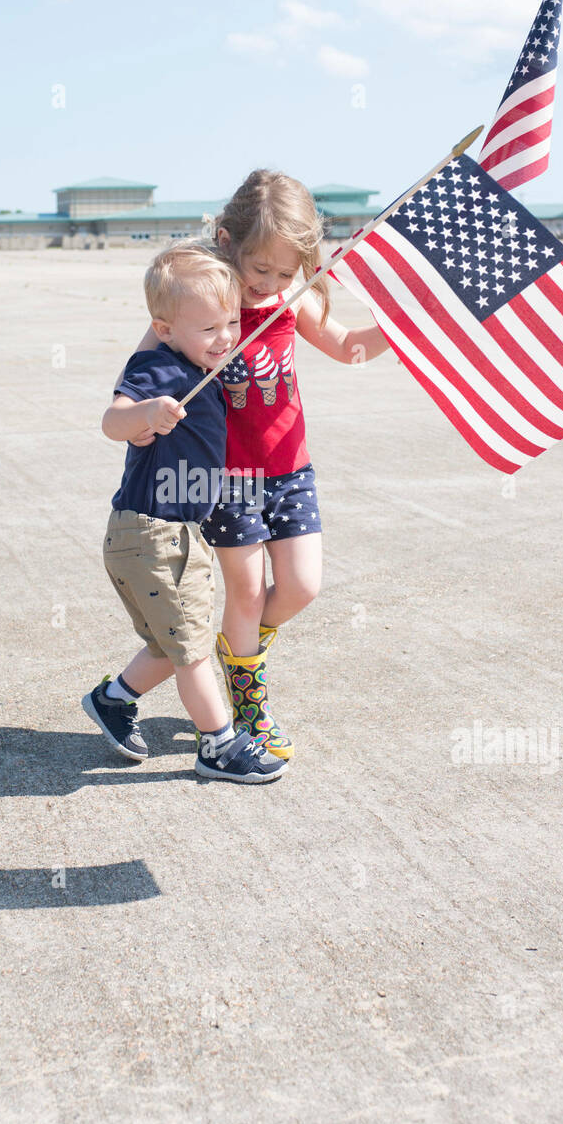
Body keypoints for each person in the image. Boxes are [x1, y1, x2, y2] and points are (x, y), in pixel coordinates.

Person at [121, 171, 390, 759]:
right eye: (259, 268)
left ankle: (239, 652)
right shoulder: (205, 302)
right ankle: (249, 709)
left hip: (291, 467)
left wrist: (400, 325)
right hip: (229, 477)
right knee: (244, 593)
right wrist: (144, 416)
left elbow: (350, 349)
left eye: (285, 272)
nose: (269, 283)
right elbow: (147, 365)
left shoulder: (296, 300)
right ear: (227, 241)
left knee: (300, 586)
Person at [83, 241, 286, 784]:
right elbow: (112, 420)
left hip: (175, 533)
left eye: (230, 324)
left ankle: (113, 699)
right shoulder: (160, 368)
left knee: (170, 641)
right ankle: (218, 746)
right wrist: (145, 413)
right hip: (150, 533)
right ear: (165, 328)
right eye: (209, 329)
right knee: (193, 648)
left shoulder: (204, 363)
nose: (224, 338)